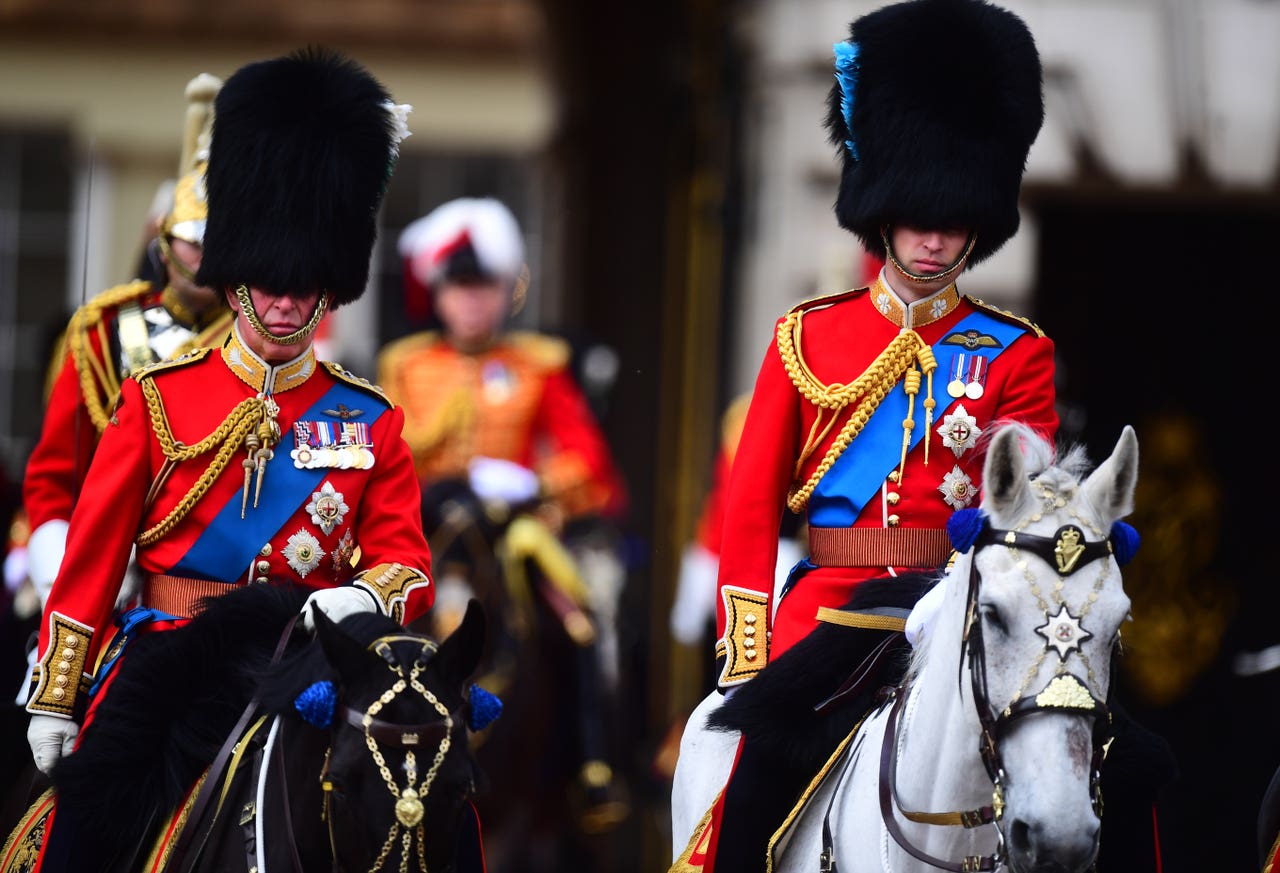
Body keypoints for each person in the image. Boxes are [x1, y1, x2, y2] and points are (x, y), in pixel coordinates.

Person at [19, 48, 432, 871]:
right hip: (172, 652)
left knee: (434, 812)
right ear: (235, 277)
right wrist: (59, 694)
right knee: (79, 837)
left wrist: (353, 600)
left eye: (303, 283)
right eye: (267, 281)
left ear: (330, 287)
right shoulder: (156, 397)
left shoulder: (371, 418)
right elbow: (95, 558)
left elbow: (406, 563)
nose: (283, 301)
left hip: (309, 656)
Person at [674, 2, 1057, 871]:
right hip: (831, 612)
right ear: (882, 212)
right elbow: (749, 506)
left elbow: (1025, 504)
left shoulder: (1017, 352)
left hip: (957, 611)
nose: (933, 239)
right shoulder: (806, 337)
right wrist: (746, 648)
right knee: (749, 797)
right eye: (918, 217)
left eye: (953, 221)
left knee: (1121, 768)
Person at [376, 197, 631, 835]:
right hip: (427, 527)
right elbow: (383, 455)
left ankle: (591, 764)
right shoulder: (404, 366)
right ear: (438, 294)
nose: (471, 303)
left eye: (483, 288)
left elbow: (591, 468)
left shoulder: (538, 367)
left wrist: (531, 481)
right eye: (459, 288)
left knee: (575, 620)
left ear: (505, 292)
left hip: (512, 529)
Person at [20, 72, 233, 653]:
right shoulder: (102, 329)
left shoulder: (252, 339)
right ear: (164, 241)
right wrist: (61, 561)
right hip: (97, 559)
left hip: (203, 575)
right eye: (192, 239)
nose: (205, 255)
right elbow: (55, 472)